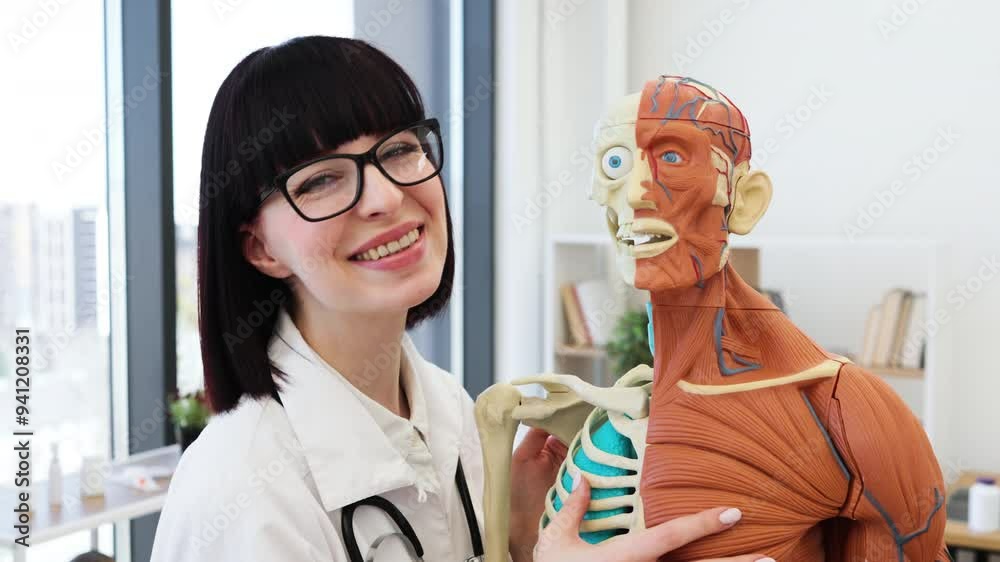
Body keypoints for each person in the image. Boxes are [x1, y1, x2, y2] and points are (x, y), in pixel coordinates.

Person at [149, 35, 771, 562]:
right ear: (261, 248)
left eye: (399, 149)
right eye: (321, 180)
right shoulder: (239, 489)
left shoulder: (447, 407)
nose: (386, 198)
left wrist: (518, 539)